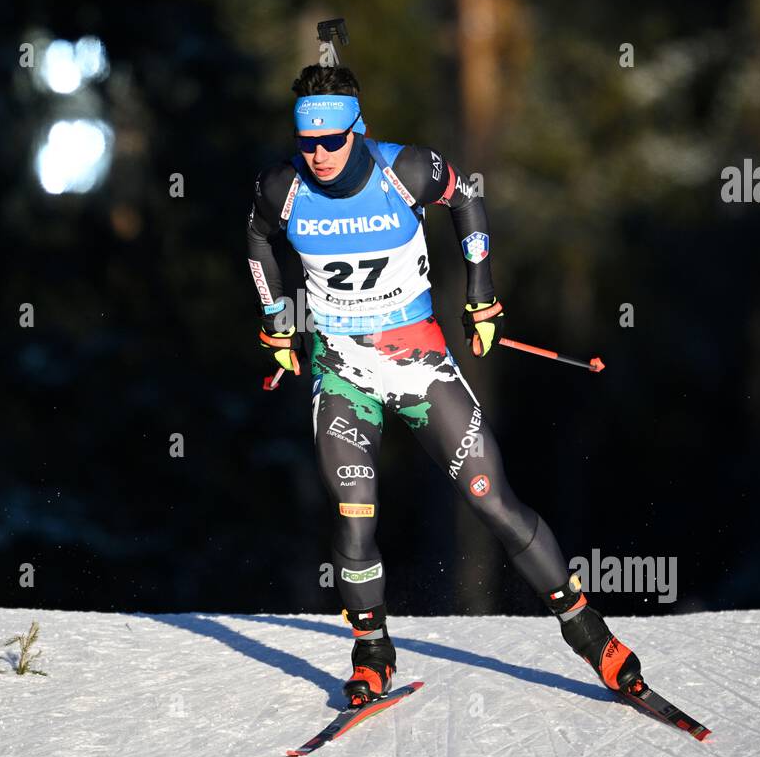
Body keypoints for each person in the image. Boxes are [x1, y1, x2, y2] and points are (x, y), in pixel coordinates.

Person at [245, 63, 641, 707]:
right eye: (306, 142)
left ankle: (590, 634)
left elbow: (467, 200)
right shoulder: (281, 188)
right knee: (354, 517)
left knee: (493, 501)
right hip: (342, 372)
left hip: (420, 364)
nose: (317, 155)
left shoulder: (407, 171)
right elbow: (258, 239)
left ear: (357, 130)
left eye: (331, 141)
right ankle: (372, 652)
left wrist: (481, 298)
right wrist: (276, 324)